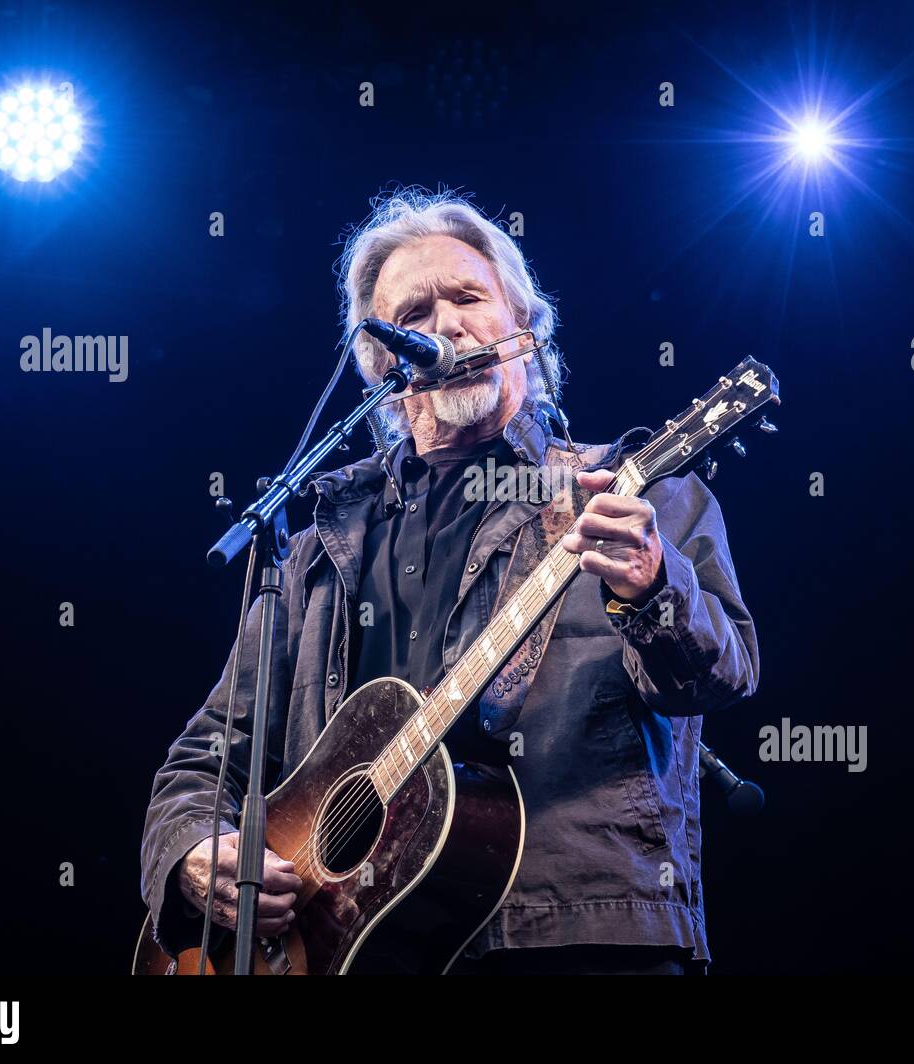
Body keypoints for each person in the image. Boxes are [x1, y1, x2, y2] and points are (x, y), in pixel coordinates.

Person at [140, 188, 759, 975]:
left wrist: (652, 586)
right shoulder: (322, 545)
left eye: (469, 297)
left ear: (523, 332)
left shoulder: (628, 495)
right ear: (380, 360)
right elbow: (208, 755)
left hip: (574, 937)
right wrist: (192, 855)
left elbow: (725, 672)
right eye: (415, 311)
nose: (446, 324)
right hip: (348, 951)